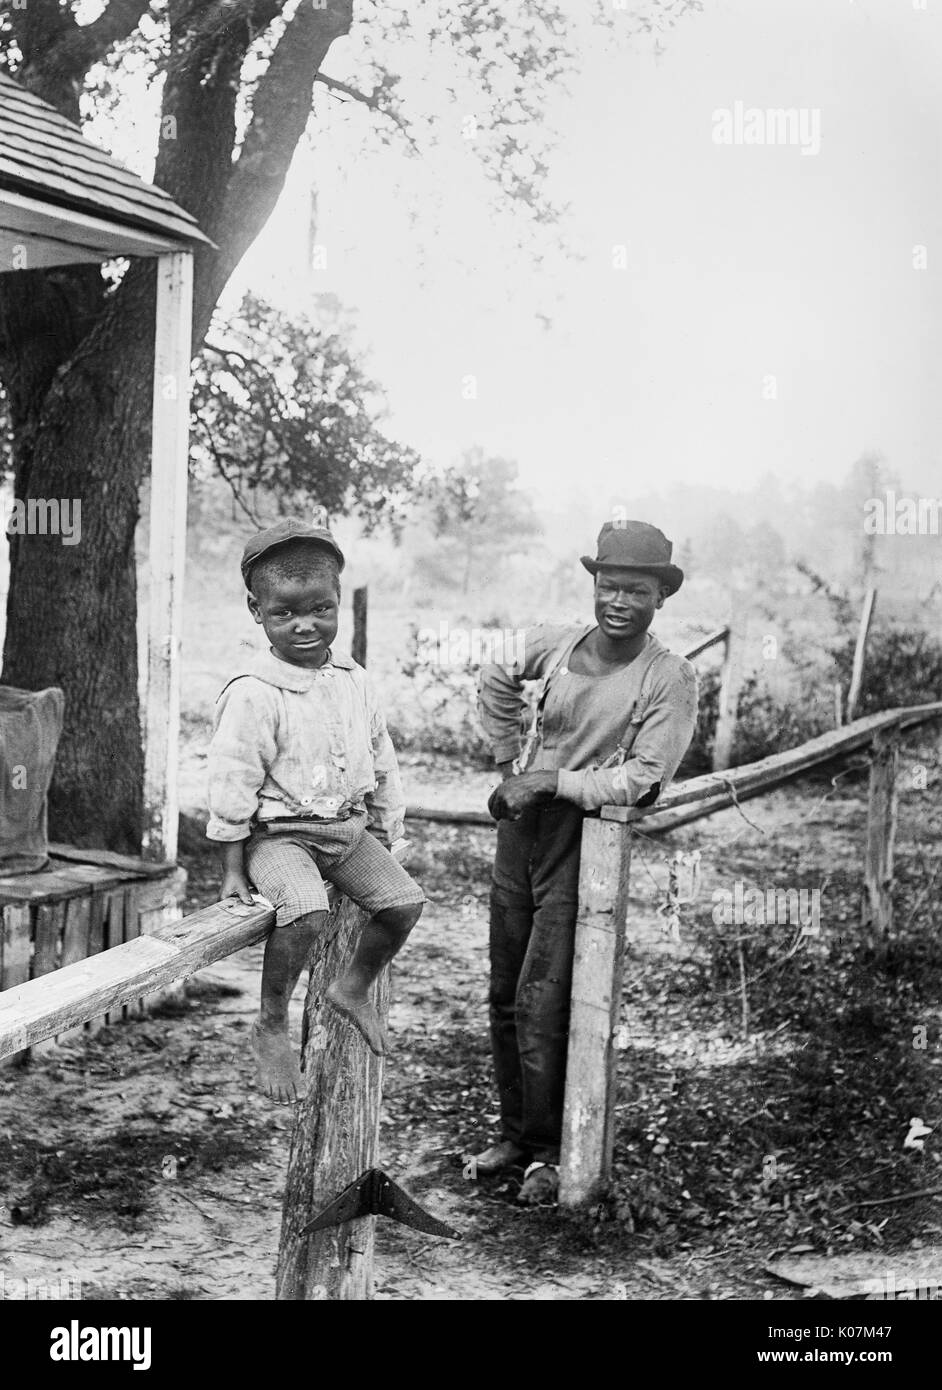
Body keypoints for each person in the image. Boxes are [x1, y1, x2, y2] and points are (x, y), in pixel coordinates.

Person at [474, 519, 699, 1203]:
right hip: (523, 828)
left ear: (660, 597)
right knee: (506, 988)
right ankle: (514, 1135)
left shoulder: (669, 677)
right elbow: (495, 669)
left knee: (546, 998)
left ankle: (549, 1153)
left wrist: (551, 781)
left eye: (637, 590)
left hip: (586, 839)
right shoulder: (556, 644)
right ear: (594, 584)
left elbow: (642, 778)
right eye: (609, 585)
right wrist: (510, 754)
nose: (620, 602)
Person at [206, 519, 425, 1104]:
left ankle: (352, 989)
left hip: (345, 829)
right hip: (280, 838)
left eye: (320, 609)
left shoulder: (352, 679)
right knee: (305, 911)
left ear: (337, 605)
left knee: (404, 904)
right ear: (258, 612)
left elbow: (381, 756)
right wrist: (231, 868)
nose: (306, 625)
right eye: (285, 614)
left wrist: (387, 827)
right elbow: (231, 782)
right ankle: (272, 1020)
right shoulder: (255, 691)